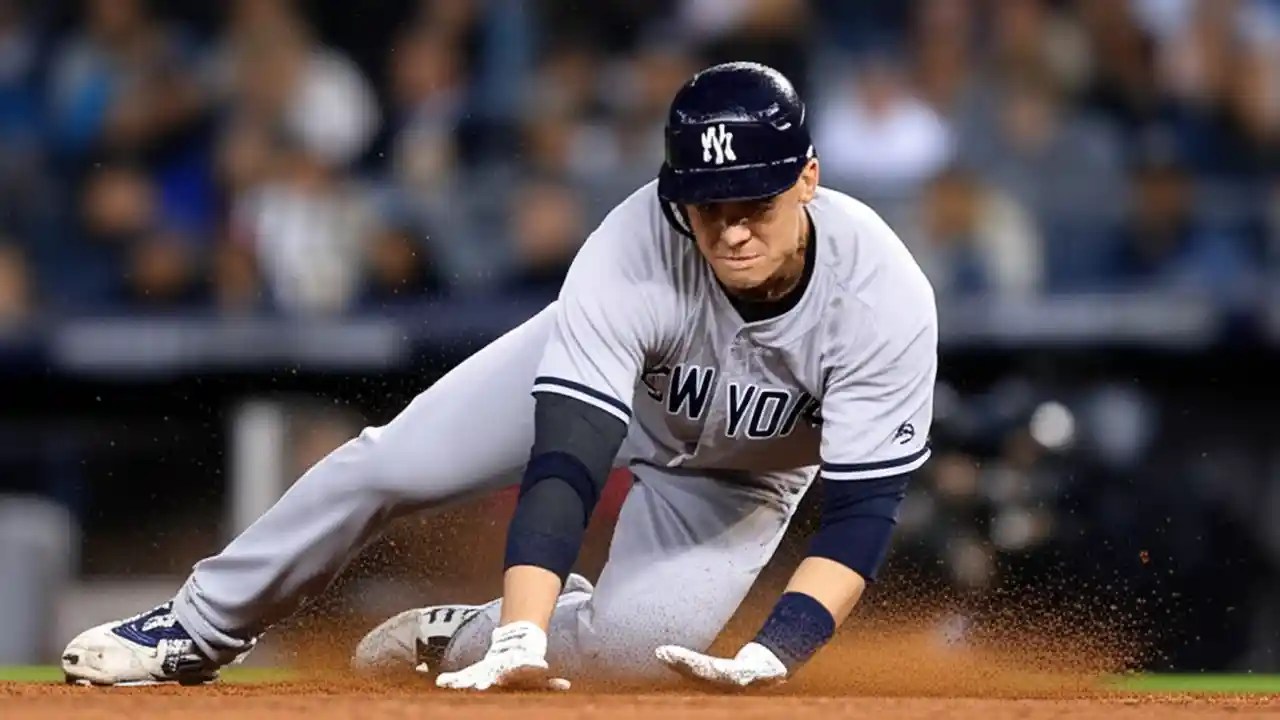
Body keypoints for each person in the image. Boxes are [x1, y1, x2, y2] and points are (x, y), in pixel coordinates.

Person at [61, 62, 937, 691]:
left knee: (627, 662)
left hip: (737, 475)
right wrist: (527, 627)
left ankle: (462, 634)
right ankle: (200, 624)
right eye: (711, 207)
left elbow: (862, 513)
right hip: (623, 384)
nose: (733, 229)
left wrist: (779, 648)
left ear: (809, 179)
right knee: (390, 465)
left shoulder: (882, 298)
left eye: (756, 202)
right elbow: (566, 458)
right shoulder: (637, 246)